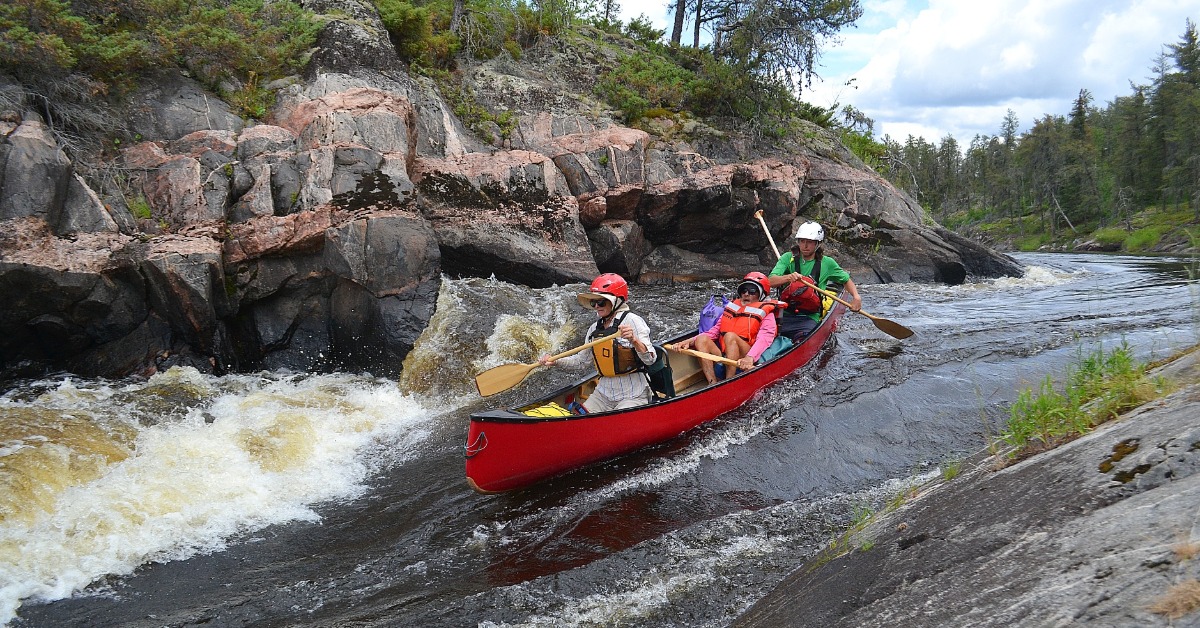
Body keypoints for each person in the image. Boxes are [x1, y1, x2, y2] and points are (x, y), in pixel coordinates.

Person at [538, 273, 657, 413]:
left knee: (616, 423)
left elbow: (650, 359)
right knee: (578, 418)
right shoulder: (594, 329)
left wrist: (634, 340)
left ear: (617, 301)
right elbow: (581, 362)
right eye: (594, 302)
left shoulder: (633, 321)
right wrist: (555, 361)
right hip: (603, 394)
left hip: (633, 394)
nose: (597, 306)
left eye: (601, 302)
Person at [675, 272, 778, 384]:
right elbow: (714, 331)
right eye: (744, 290)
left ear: (761, 294)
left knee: (730, 336)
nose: (746, 294)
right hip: (725, 352)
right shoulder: (732, 307)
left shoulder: (768, 315)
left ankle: (729, 381)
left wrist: (750, 358)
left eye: (752, 291)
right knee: (702, 339)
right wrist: (688, 341)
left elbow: (764, 339)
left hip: (746, 353)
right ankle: (712, 382)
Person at [768, 221, 863, 342]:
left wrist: (856, 297)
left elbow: (846, 280)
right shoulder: (787, 258)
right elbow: (770, 281)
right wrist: (788, 277)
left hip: (809, 317)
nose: (805, 246)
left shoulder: (827, 263)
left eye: (810, 242)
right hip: (784, 314)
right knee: (767, 337)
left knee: (802, 339)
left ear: (817, 244)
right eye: (802, 241)